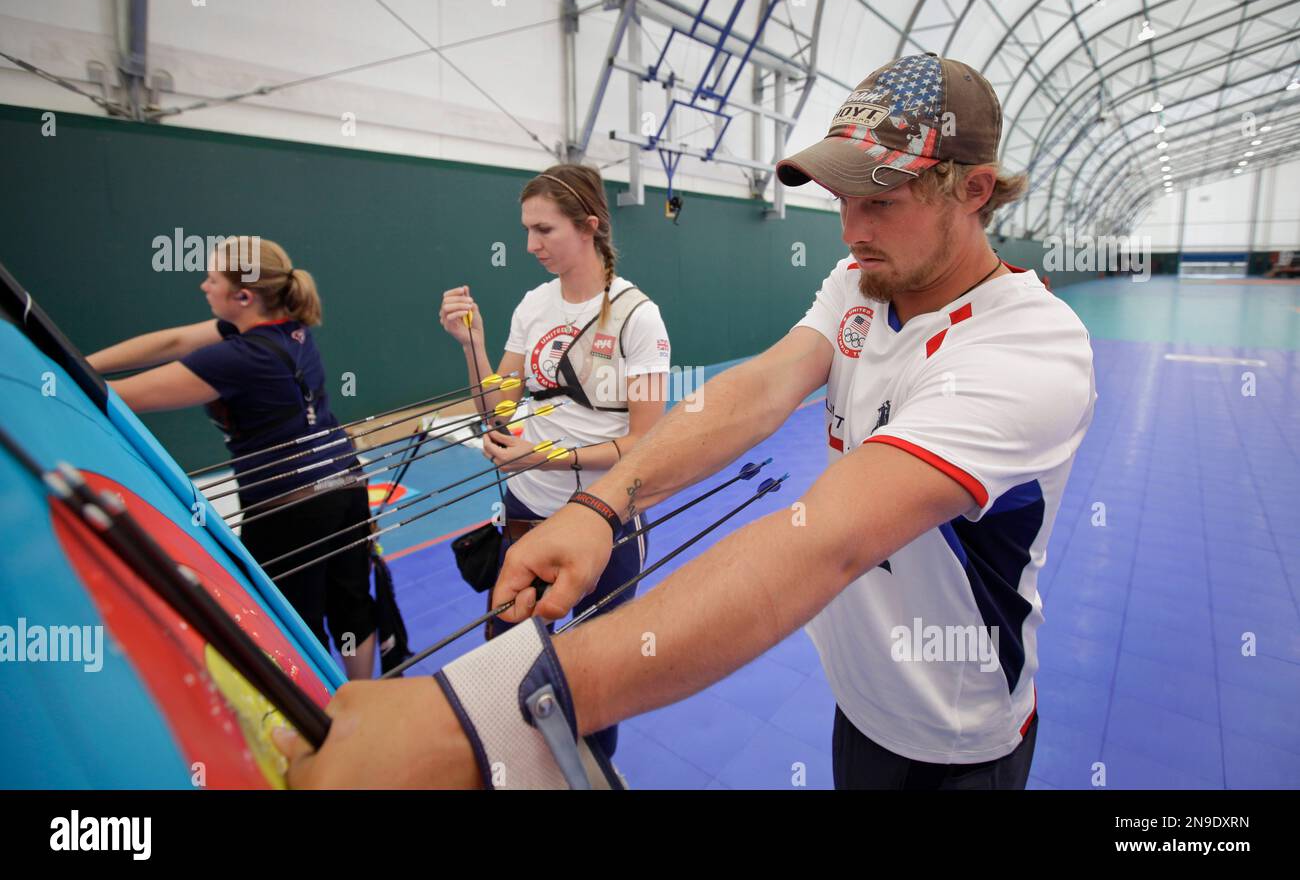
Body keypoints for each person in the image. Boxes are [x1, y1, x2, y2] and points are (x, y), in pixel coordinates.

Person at [275, 54, 1097, 790]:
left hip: (956, 741)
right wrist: (606, 504)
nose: (850, 230)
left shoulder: (1027, 350)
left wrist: (485, 712)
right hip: (866, 707)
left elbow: (829, 538)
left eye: (881, 199)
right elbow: (760, 389)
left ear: (975, 190)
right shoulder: (861, 282)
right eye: (843, 199)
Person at [436, 163, 672, 757]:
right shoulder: (533, 305)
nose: (531, 245)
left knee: (596, 675)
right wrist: (475, 345)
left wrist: (546, 456)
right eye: (526, 230)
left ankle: (590, 768)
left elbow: (646, 443)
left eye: (544, 230)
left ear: (588, 225)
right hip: (527, 510)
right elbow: (499, 404)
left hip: (601, 519)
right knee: (507, 650)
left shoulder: (637, 316)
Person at [88, 236, 379, 680]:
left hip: (290, 508)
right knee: (351, 600)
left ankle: (322, 715)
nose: (204, 286)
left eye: (212, 279)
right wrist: (77, 360)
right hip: (346, 484)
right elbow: (173, 340)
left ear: (243, 297)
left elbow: (119, 398)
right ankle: (364, 700)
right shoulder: (289, 325)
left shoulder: (234, 359)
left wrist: (56, 373)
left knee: (291, 620)